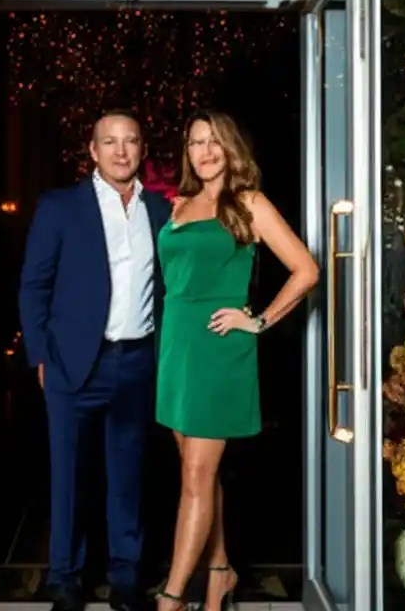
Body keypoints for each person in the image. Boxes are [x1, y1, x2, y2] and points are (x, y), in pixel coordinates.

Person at [153, 111, 319, 611]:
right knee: (196, 471)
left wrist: (260, 320)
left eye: (214, 143)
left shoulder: (247, 203)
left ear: (231, 150)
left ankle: (171, 597)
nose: (203, 152)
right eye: (195, 142)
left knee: (196, 478)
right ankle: (220, 570)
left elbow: (306, 271)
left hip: (218, 351)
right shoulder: (179, 205)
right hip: (177, 348)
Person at [18, 110, 172, 611]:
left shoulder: (161, 212)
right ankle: (65, 577)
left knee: (129, 475)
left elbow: (172, 288)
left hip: (137, 361)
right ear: (93, 151)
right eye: (110, 142)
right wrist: (41, 356)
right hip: (71, 364)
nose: (121, 151)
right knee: (68, 477)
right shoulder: (61, 207)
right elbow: (34, 285)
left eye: (130, 141)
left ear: (142, 149)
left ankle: (126, 577)